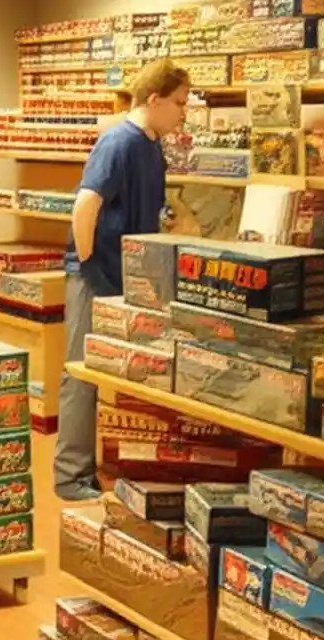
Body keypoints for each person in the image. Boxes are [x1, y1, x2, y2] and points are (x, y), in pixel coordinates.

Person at [53, 59, 190, 502]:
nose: (183, 113)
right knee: (81, 373)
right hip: (99, 274)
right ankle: (69, 476)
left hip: (129, 277)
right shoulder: (118, 141)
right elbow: (85, 204)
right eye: (179, 103)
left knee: (109, 373)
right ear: (154, 100)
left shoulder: (150, 146)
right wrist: (89, 260)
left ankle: (92, 471)